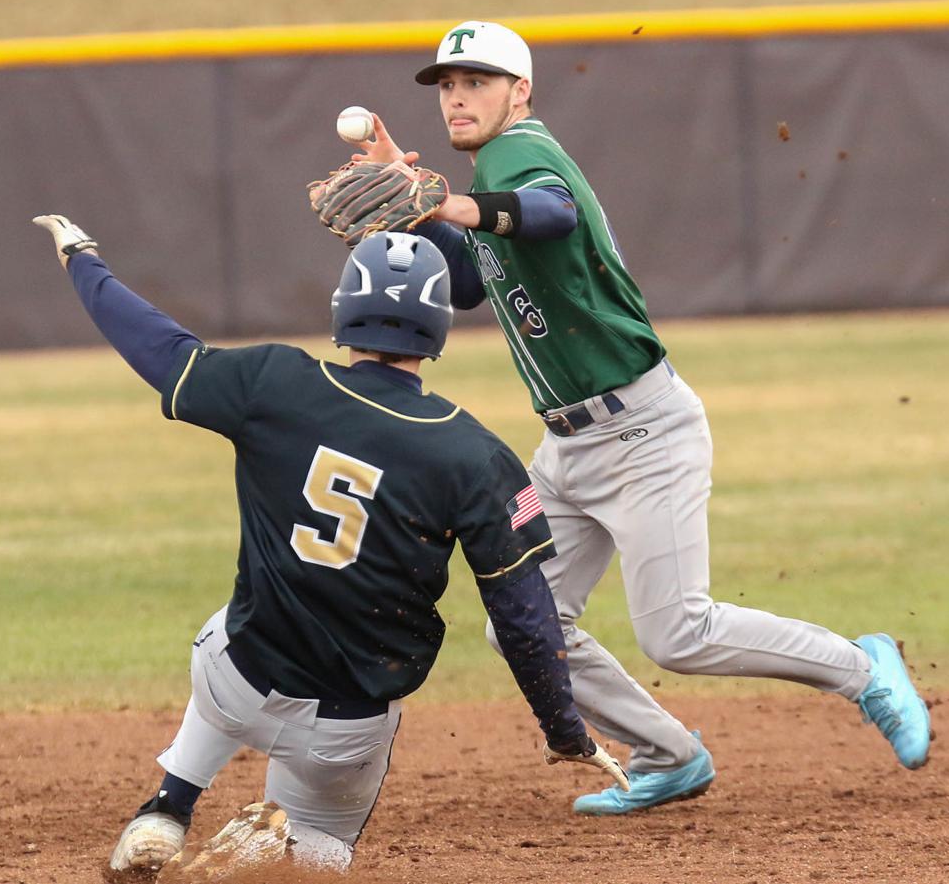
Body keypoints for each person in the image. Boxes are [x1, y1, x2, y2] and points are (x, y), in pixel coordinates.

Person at [348, 19, 932, 815]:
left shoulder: (520, 152)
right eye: (448, 86)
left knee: (678, 633)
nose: (457, 97)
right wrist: (414, 211)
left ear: (520, 91)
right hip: (566, 450)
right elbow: (466, 284)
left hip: (643, 432)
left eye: (476, 82)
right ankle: (669, 754)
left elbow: (547, 214)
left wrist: (444, 200)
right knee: (526, 623)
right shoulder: (490, 178)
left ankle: (864, 668)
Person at [31, 216, 625, 875]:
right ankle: (268, 854)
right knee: (322, 850)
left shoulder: (275, 382)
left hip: (239, 680)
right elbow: (523, 611)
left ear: (345, 307)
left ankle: (167, 807)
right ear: (438, 327)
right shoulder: (477, 453)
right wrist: (562, 726)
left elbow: (162, 351)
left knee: (222, 634)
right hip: (348, 728)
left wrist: (85, 260)